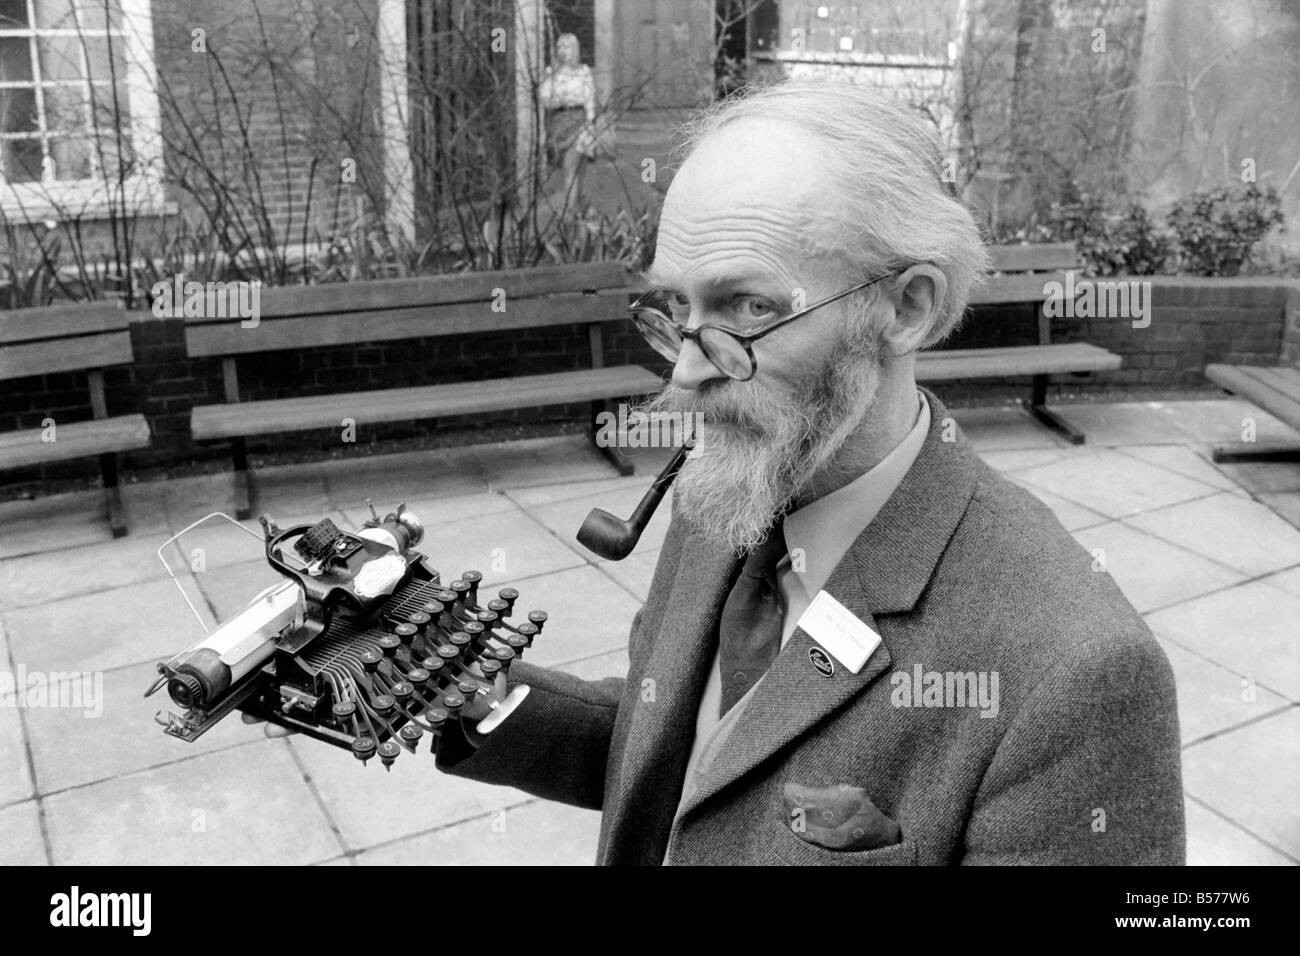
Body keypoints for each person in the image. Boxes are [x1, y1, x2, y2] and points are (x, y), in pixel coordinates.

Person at [440, 79, 1186, 865]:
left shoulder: (1078, 674)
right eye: (676, 311)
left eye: (750, 310)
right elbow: (686, 745)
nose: (686, 377)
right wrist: (461, 687)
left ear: (907, 308)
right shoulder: (726, 493)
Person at [538, 33, 598, 205]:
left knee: (576, 167)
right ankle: (572, 211)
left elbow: (589, 99)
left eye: (567, 47)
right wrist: (561, 97)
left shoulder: (583, 71)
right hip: (558, 122)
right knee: (566, 169)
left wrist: (590, 126)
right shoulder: (551, 73)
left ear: (574, 49)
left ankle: (572, 211)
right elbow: (545, 98)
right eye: (559, 47)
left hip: (579, 122)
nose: (562, 51)